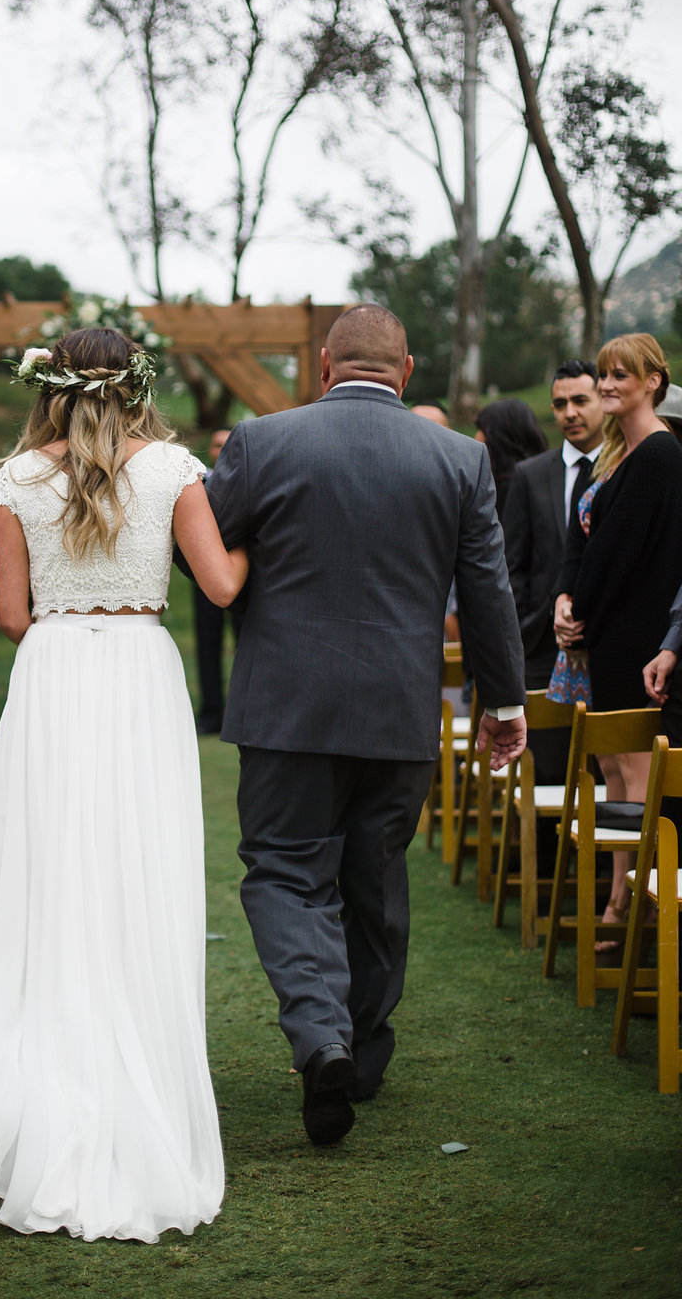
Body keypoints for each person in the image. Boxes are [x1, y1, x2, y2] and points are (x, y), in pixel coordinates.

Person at [0, 329, 247, 1243]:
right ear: (136, 384)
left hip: (53, 682)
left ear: (48, 386)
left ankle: (53, 1083)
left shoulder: (14, 481)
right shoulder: (173, 471)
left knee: (54, 880)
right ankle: (138, 1083)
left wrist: (61, 635)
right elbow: (224, 588)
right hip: (140, 675)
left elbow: (9, 612)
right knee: (138, 873)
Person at [204, 304, 526, 1144]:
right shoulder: (459, 458)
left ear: (323, 365)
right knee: (376, 880)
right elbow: (488, 593)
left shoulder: (261, 443)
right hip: (398, 711)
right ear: (406, 370)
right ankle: (365, 1056)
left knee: (283, 872)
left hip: (286, 709)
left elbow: (204, 553)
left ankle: (321, 1038)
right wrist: (505, 703)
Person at [553, 333, 682, 943]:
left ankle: (634, 907)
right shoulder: (613, 454)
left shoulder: (660, 454)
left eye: (619, 376)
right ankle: (620, 897)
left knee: (636, 775)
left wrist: (581, 609)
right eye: (603, 375)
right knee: (611, 770)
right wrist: (563, 601)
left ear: (652, 382)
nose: (606, 385)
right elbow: (579, 542)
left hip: (634, 634)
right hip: (597, 632)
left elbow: (620, 552)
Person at [502, 361, 604, 789]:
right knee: (545, 771)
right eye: (560, 404)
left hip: (607, 643)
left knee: (605, 767)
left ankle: (603, 860)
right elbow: (511, 564)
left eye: (581, 401)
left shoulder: (628, 470)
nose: (570, 413)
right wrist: (531, 624)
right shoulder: (530, 475)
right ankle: (542, 858)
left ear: (604, 401)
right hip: (542, 647)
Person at [193, 426, 240, 733]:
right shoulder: (197, 483)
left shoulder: (245, 479)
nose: (221, 450)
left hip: (241, 574)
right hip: (202, 575)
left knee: (244, 643)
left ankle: (238, 713)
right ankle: (211, 714)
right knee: (206, 644)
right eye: (216, 444)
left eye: (227, 445)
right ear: (210, 450)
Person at [474, 397, 549, 524]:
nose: (476, 437)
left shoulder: (504, 491)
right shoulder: (548, 478)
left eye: (481, 429)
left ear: (498, 437)